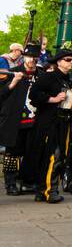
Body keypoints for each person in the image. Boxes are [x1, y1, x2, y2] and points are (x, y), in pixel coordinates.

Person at [27, 49, 72, 203]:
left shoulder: (68, 80)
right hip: (49, 123)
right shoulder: (48, 77)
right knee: (52, 155)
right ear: (59, 62)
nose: (71, 62)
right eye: (68, 59)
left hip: (62, 122)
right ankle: (50, 190)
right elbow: (33, 95)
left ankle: (43, 190)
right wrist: (52, 99)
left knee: (57, 155)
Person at [0, 44, 39, 194]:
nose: (32, 60)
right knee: (12, 153)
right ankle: (10, 184)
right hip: (15, 120)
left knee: (31, 152)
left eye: (34, 58)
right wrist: (14, 82)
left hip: (35, 120)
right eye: (29, 57)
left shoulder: (40, 76)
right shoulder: (12, 73)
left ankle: (27, 182)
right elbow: (2, 94)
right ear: (24, 57)